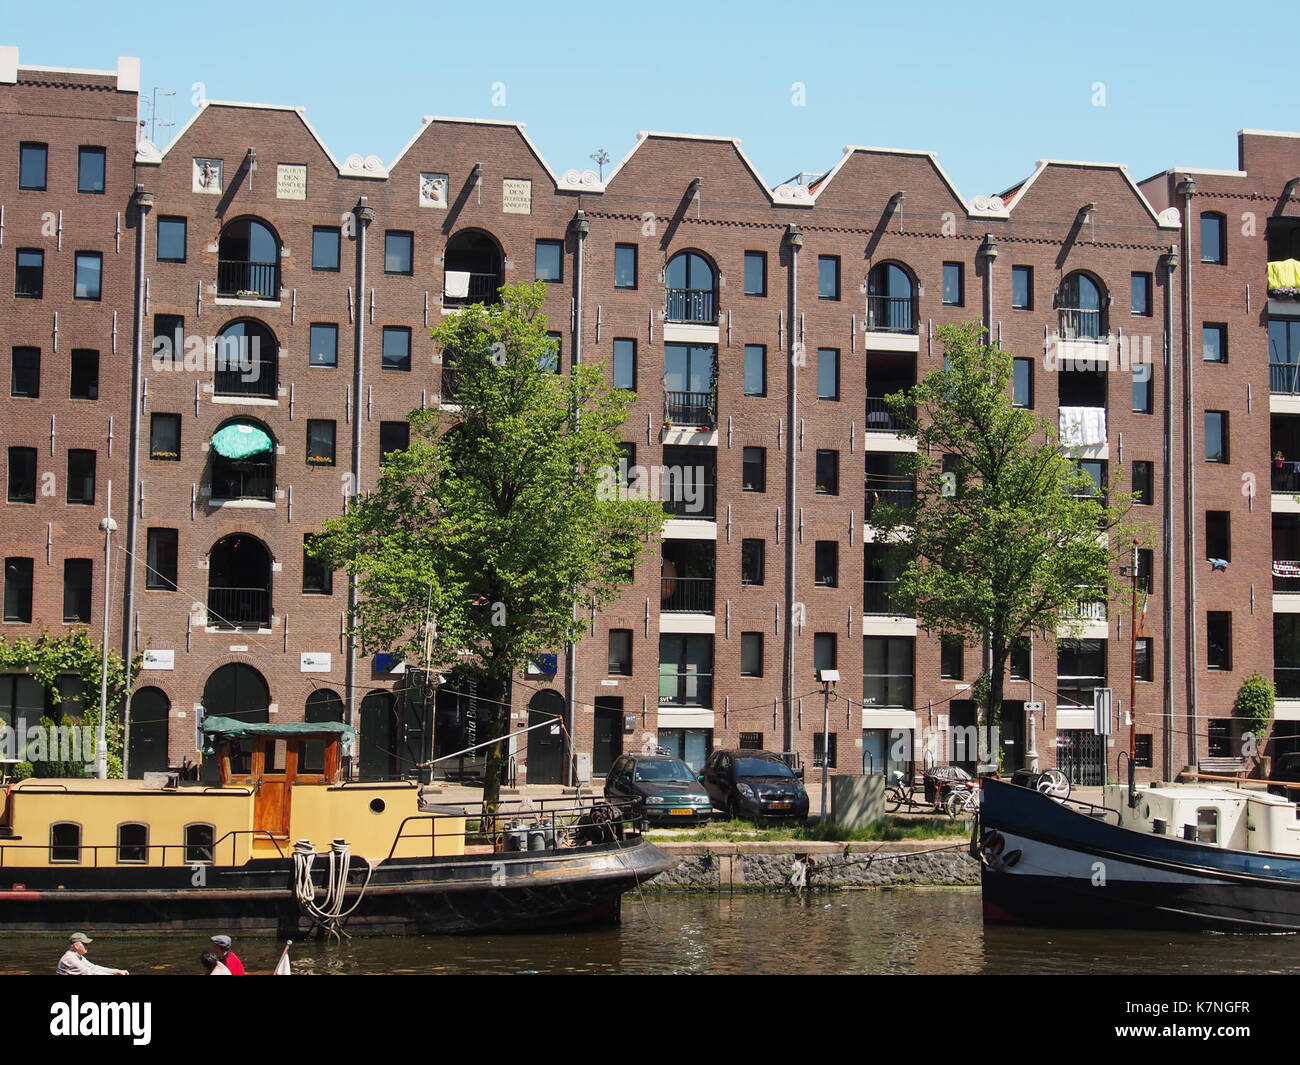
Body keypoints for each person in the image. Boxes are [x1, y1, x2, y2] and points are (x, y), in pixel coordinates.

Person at [56, 932, 127, 975]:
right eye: (85, 944)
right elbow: (90, 973)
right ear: (76, 946)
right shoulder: (71, 959)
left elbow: (93, 967)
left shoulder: (77, 956)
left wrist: (117, 971)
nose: (87, 946)